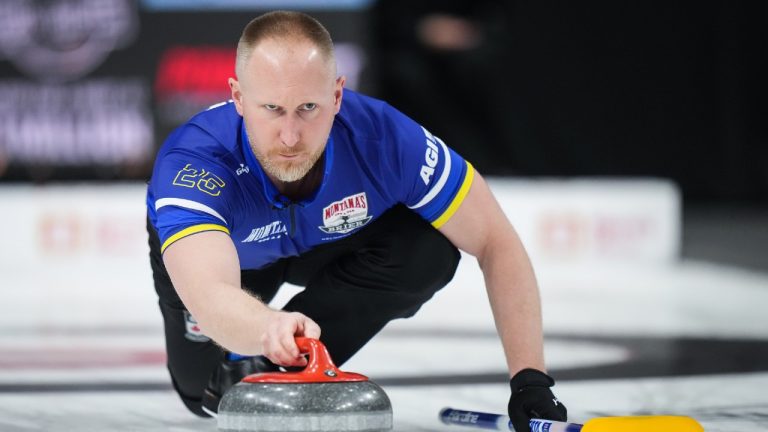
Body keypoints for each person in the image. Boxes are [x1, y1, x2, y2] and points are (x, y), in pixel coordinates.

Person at [145, 10, 567, 431]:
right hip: (234, 263)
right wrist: (267, 327)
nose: (290, 136)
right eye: (272, 108)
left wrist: (530, 380)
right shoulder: (194, 163)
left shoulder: (386, 139)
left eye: (308, 107)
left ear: (337, 95)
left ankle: (278, 363)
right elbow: (210, 293)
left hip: (322, 241)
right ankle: (260, 354)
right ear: (238, 98)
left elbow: (495, 240)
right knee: (205, 393)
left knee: (427, 252)